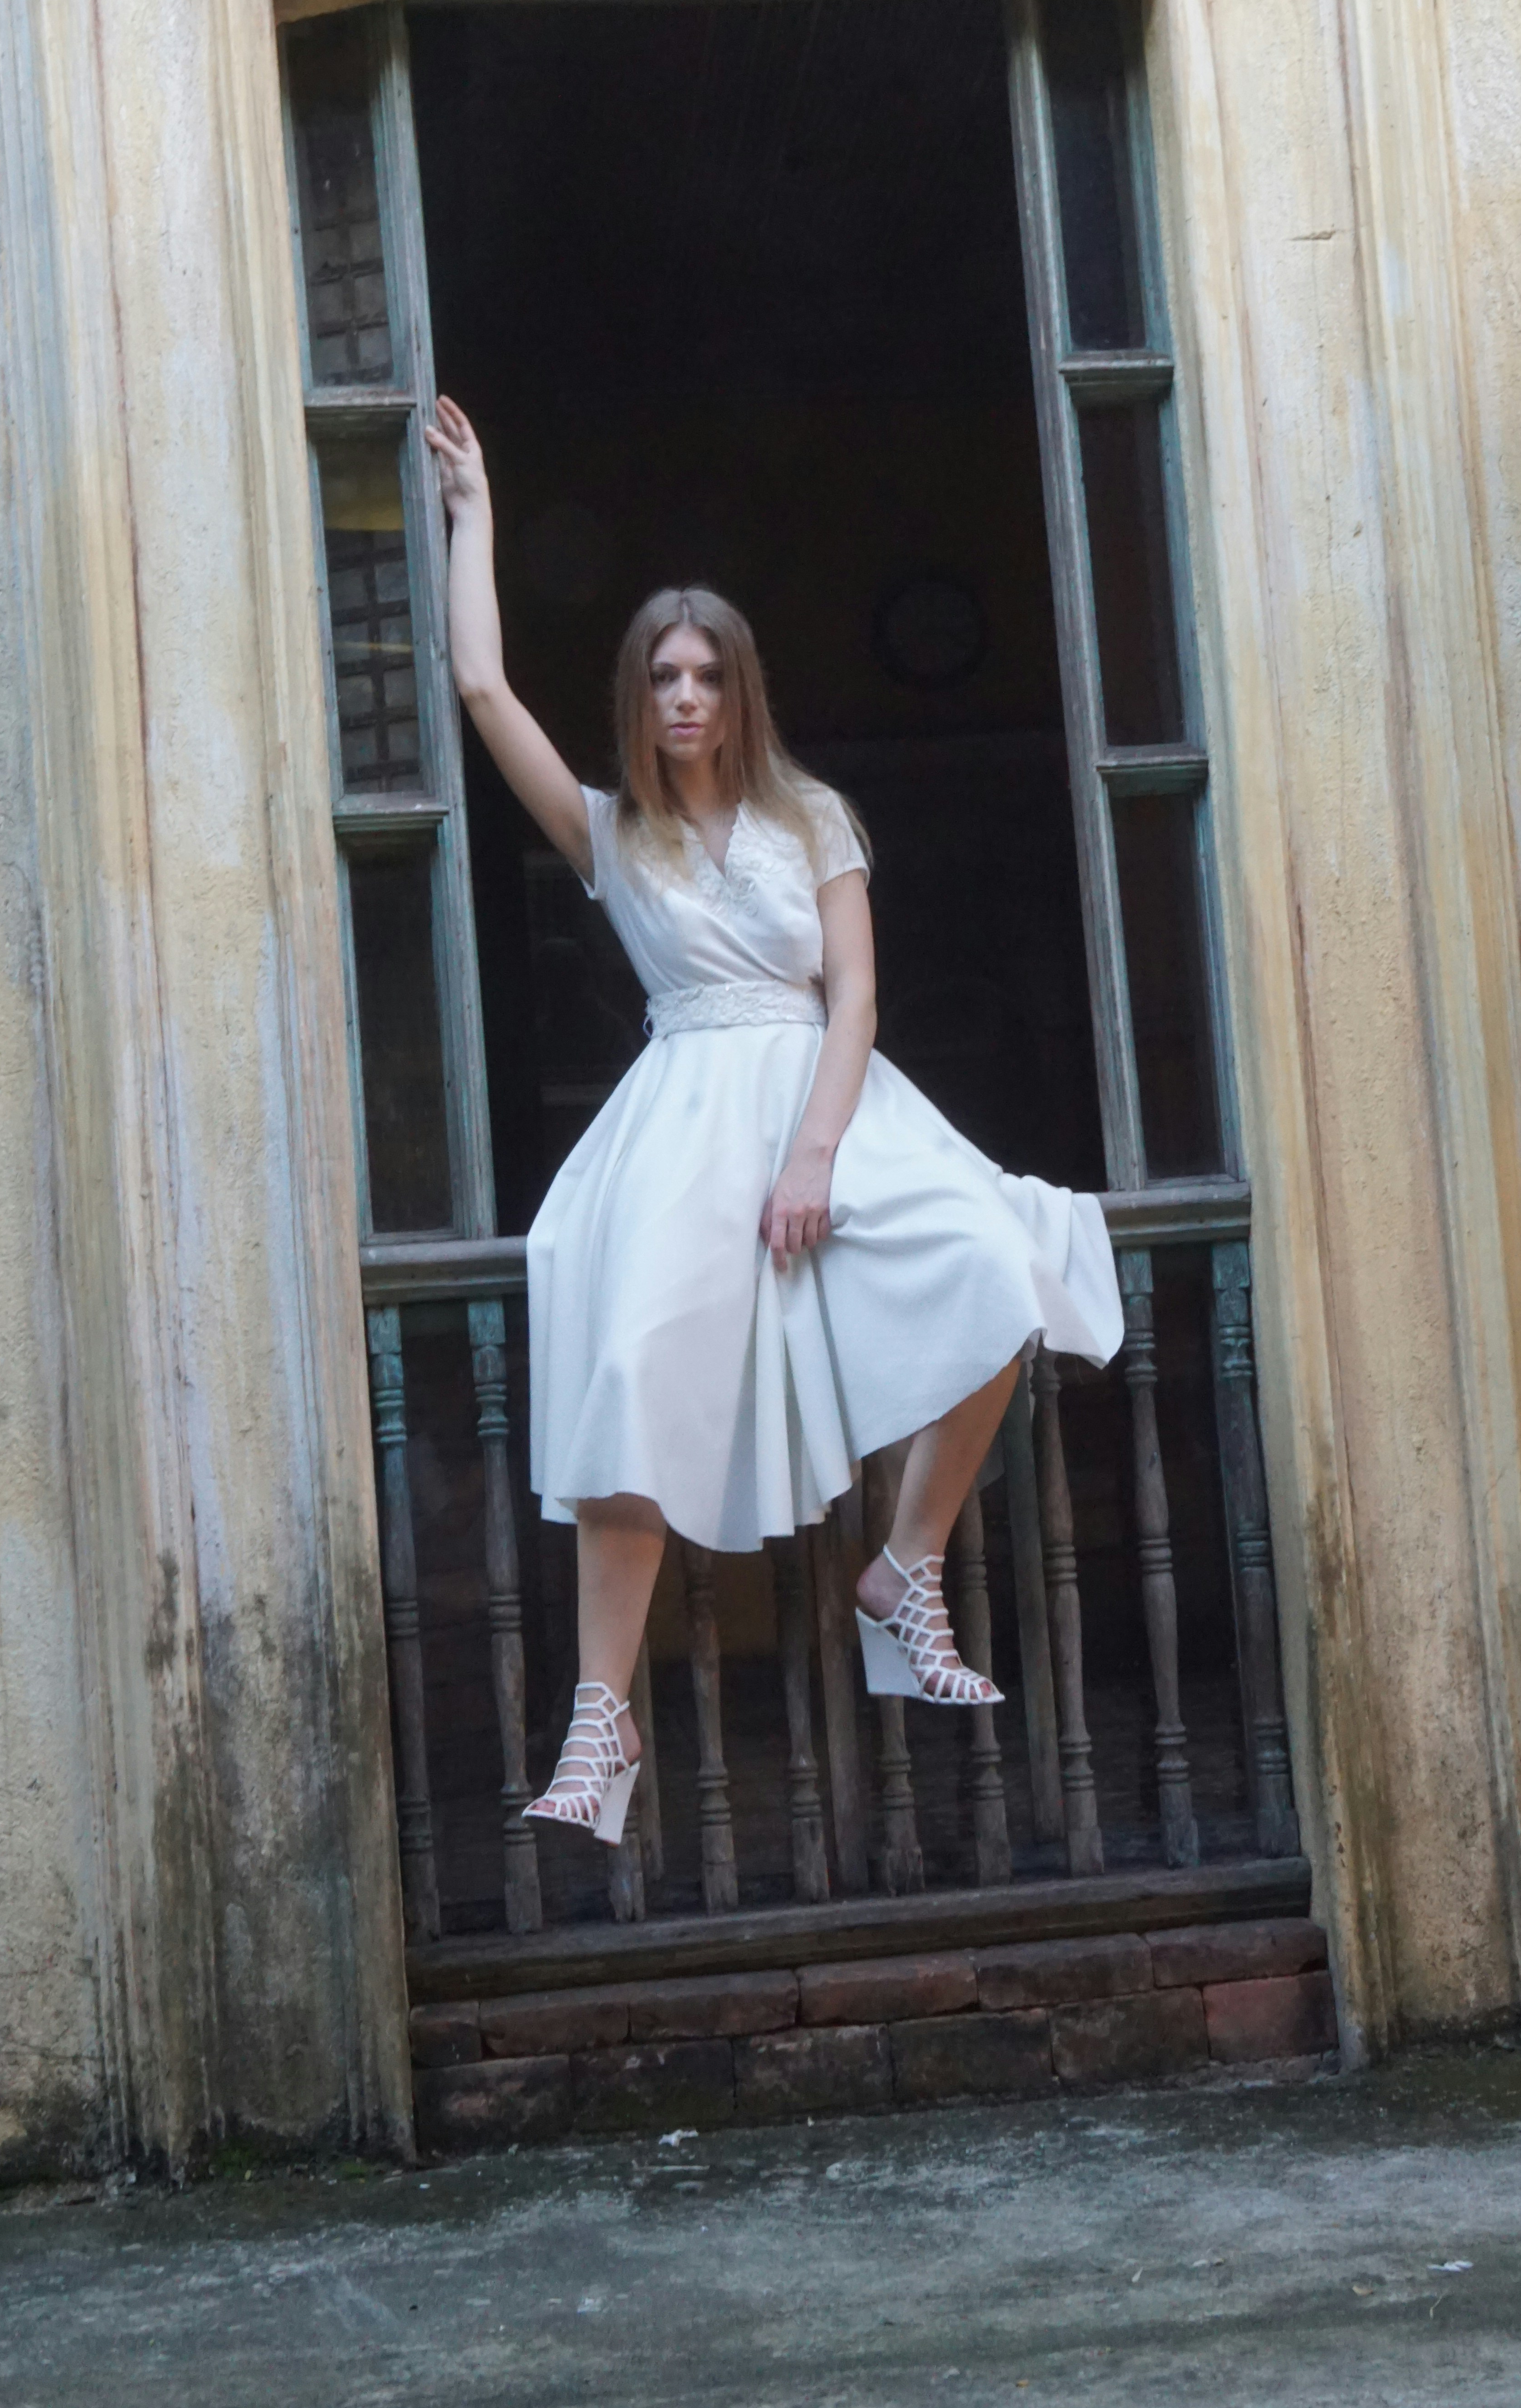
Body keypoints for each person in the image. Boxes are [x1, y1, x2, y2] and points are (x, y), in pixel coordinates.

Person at [425, 398, 1124, 1848]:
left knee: (1002, 1268)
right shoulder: (612, 833)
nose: (686, 696)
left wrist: (813, 1154)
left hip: (831, 1103)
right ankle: (599, 1727)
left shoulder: (813, 818)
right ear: (642, 696)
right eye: (664, 676)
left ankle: (905, 1568)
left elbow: (857, 996)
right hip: (678, 1123)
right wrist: (475, 513)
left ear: (742, 694)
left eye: (709, 676)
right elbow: (486, 692)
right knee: (628, 1386)